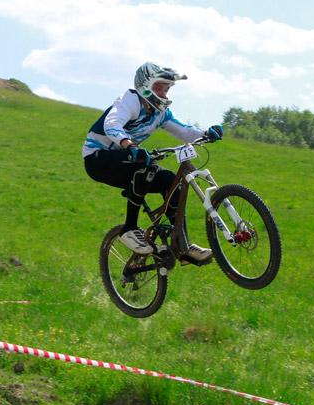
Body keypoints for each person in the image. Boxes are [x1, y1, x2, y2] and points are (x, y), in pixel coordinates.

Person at [82, 62, 223, 260]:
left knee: (171, 182)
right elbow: (112, 124)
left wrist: (207, 134)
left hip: (128, 159)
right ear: (145, 86)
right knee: (144, 166)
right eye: (159, 87)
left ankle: (182, 244)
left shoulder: (160, 113)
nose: (163, 94)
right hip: (98, 158)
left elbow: (185, 132)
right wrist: (129, 145)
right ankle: (129, 229)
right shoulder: (130, 100)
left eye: (166, 89)